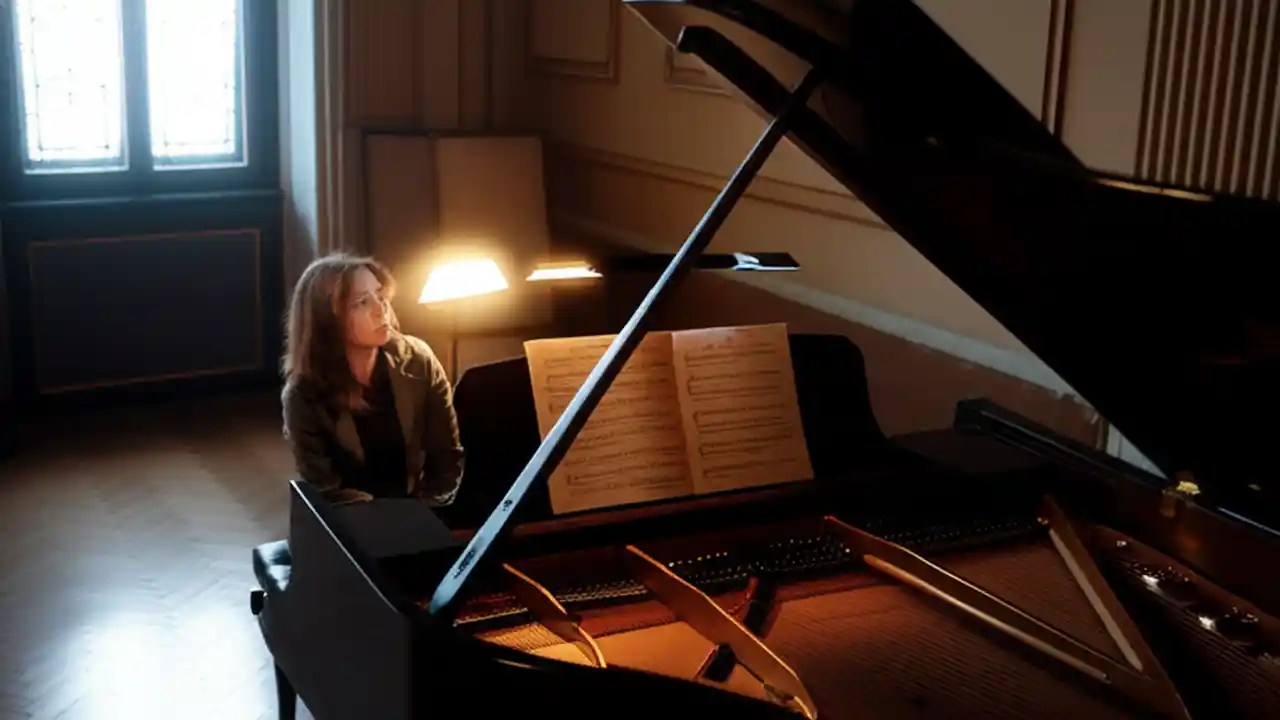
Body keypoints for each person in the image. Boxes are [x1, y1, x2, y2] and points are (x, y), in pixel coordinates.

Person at [280, 253, 464, 506]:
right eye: (361, 303)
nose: (381, 310)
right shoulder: (303, 395)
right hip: (352, 523)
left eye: (380, 295)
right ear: (328, 319)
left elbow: (447, 458)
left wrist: (427, 513)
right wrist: (383, 524)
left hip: (423, 509)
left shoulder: (417, 360)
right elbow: (326, 487)